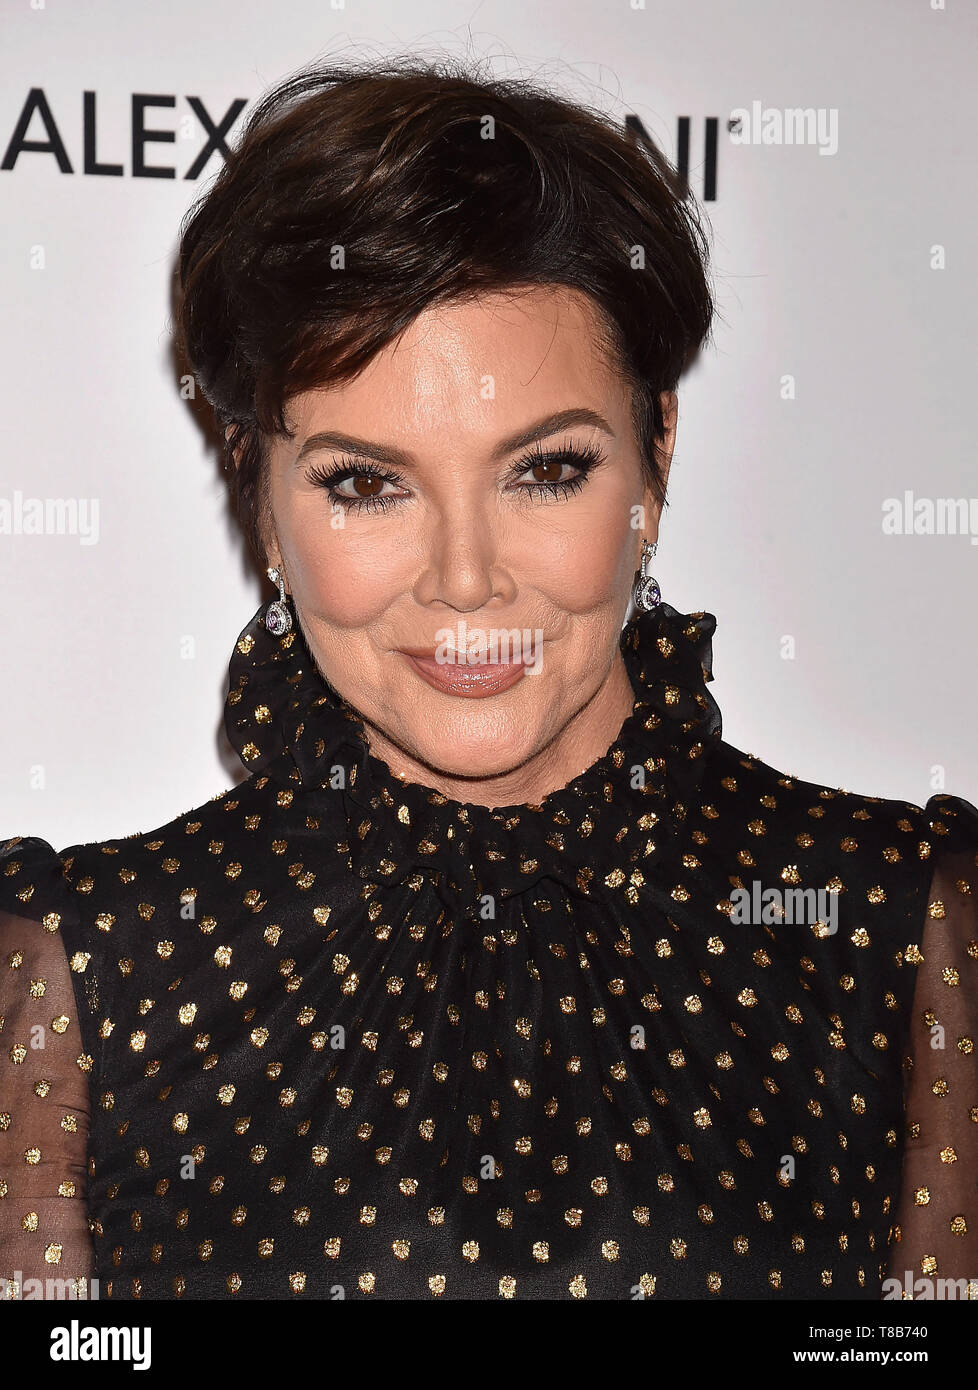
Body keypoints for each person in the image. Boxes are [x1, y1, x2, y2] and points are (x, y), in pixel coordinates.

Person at [2, 57, 976, 1303]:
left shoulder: (888, 924)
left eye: (546, 471)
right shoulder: (89, 965)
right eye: (365, 481)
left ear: (655, 456)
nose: (465, 581)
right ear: (259, 489)